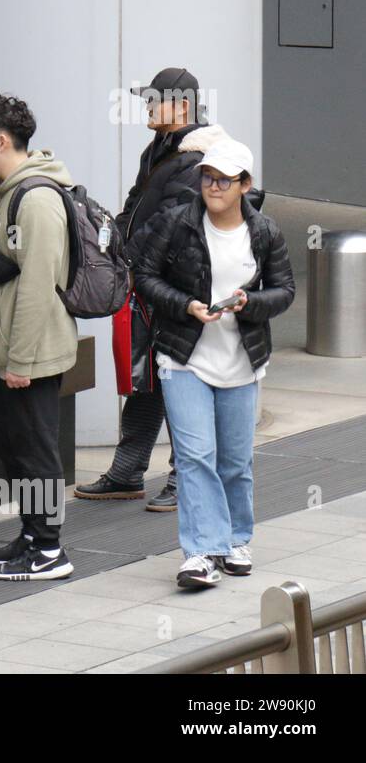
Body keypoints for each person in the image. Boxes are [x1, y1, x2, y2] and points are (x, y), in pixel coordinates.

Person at [133, 138, 294, 589]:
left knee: (235, 461)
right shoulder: (177, 223)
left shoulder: (264, 232)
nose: (213, 186)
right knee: (195, 456)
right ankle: (202, 552)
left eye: (224, 180)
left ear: (245, 184)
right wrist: (186, 305)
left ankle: (237, 539)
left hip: (243, 362)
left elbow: (284, 291)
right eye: (207, 177)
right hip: (185, 358)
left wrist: (251, 302)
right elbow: (144, 277)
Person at [77, 67, 235, 512]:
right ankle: (127, 473)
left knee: (184, 384)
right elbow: (134, 210)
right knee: (150, 381)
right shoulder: (161, 150)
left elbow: (171, 226)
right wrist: (112, 237)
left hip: (186, 293)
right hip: (158, 287)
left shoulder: (199, 159)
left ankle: (186, 479)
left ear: (181, 106)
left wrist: (128, 254)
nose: (146, 108)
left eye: (154, 101)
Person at [0, 94, 78, 580]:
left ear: (1, 140)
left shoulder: (36, 199)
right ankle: (32, 534)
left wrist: (20, 359)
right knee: (15, 446)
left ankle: (50, 550)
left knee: (35, 450)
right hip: (8, 350)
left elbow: (37, 284)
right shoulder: (8, 191)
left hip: (29, 353)